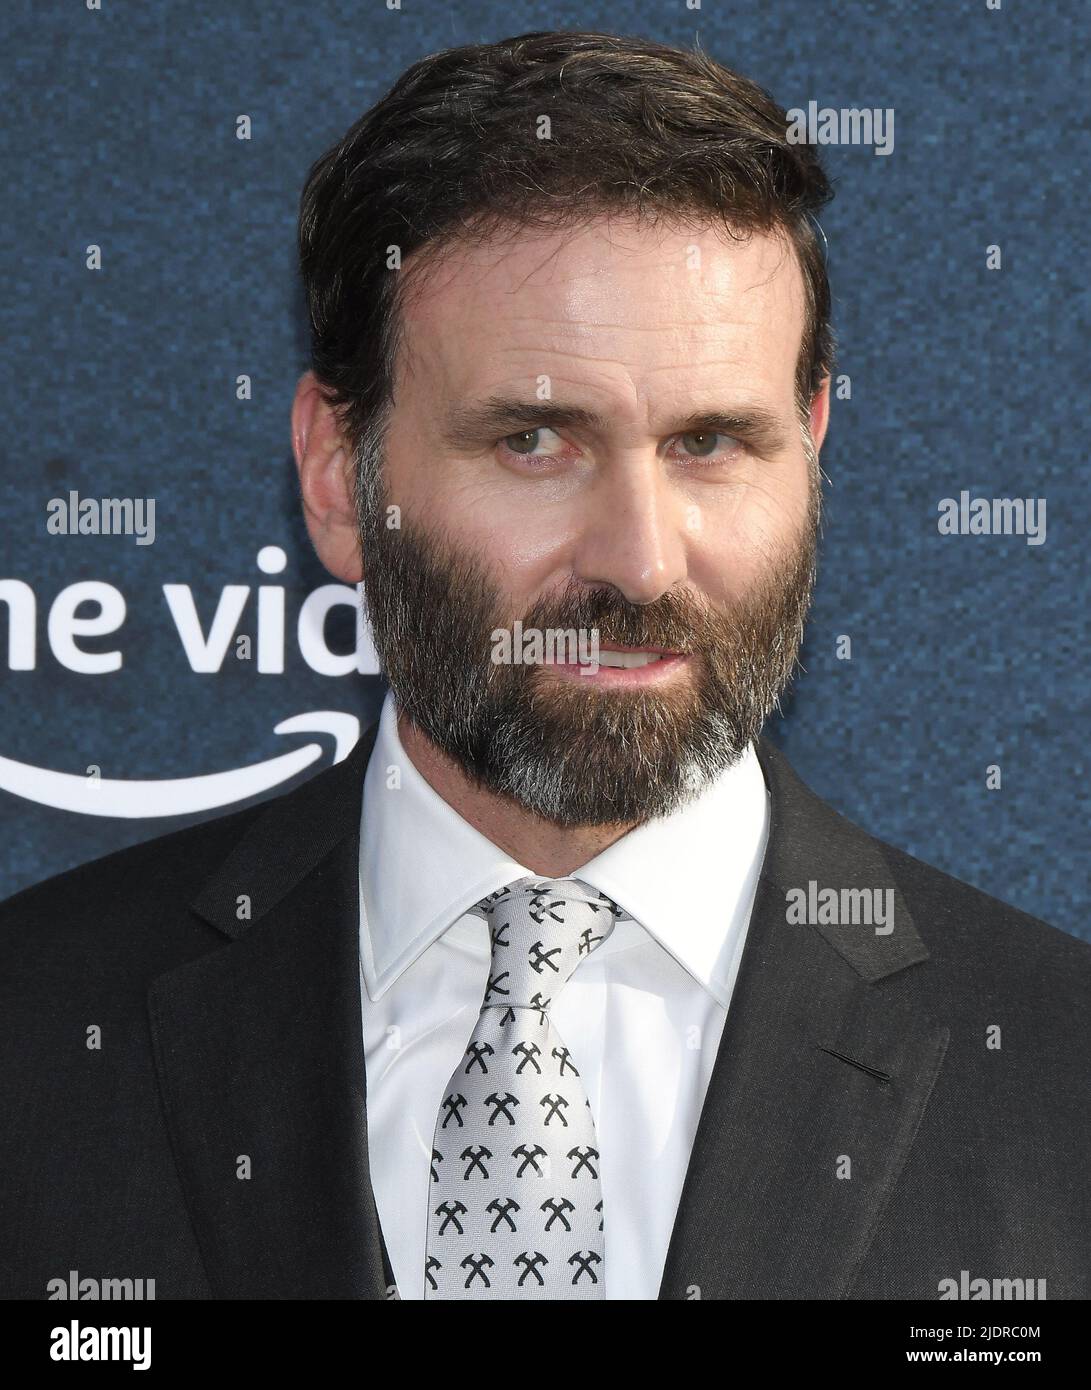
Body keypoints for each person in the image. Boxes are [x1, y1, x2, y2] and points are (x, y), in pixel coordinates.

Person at [1, 30, 1086, 1301]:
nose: (637, 562)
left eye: (710, 444)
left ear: (811, 445)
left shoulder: (1057, 1074)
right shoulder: (36, 1037)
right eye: (532, 439)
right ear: (337, 478)